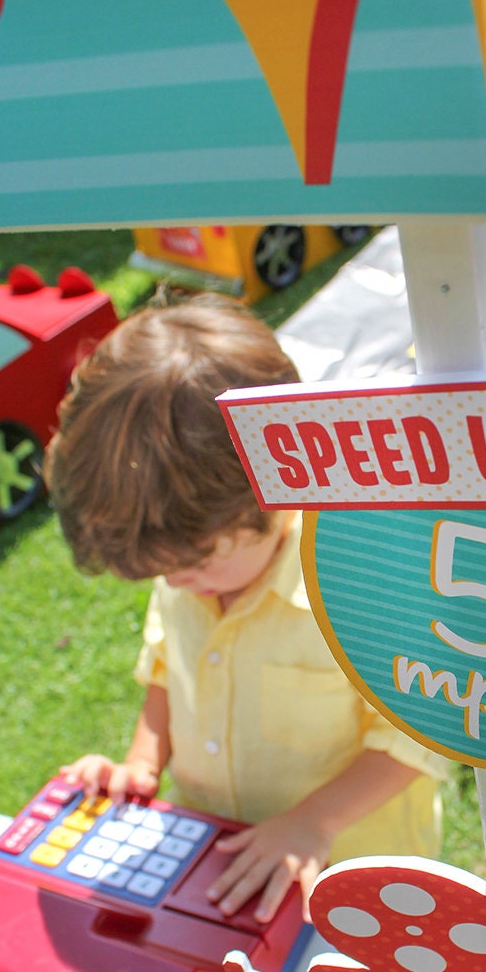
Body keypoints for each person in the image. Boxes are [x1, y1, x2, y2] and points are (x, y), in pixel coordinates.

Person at [45, 293, 447, 924]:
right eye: (162, 574)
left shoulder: (360, 585)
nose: (178, 585)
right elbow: (166, 673)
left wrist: (312, 822)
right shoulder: (190, 566)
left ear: (275, 490)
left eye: (196, 564)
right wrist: (141, 765)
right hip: (219, 866)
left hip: (355, 882)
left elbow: (418, 740)